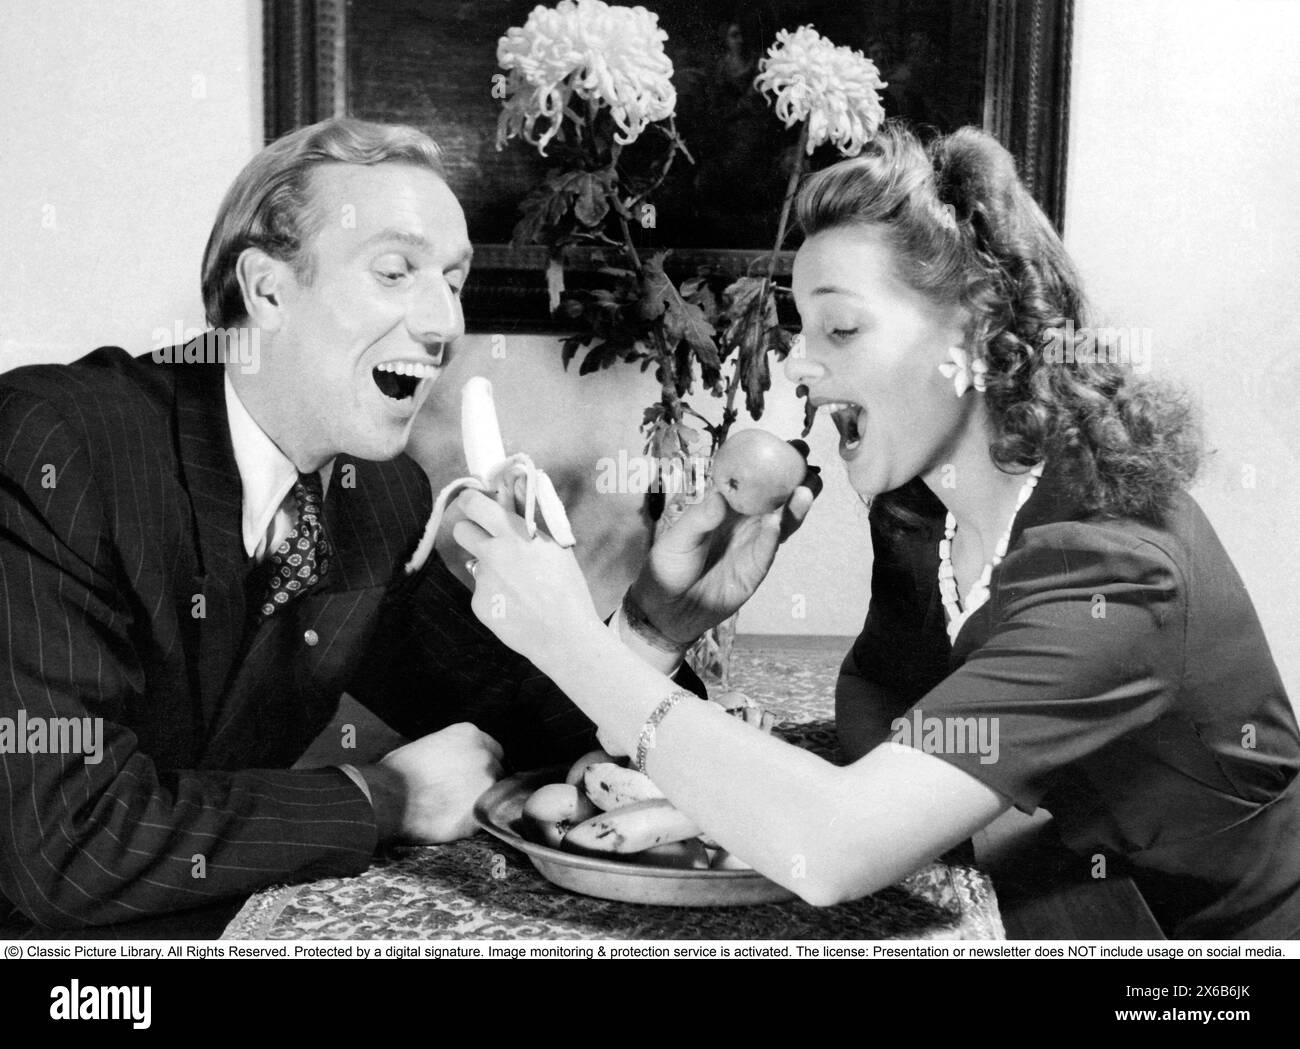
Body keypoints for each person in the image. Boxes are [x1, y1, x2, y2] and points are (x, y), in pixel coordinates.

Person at [454, 123, 1300, 938]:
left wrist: (568, 637)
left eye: (843, 328)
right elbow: (881, 704)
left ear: (972, 328)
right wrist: (733, 785)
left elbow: (831, 850)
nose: (804, 369)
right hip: (1069, 893)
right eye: (803, 330)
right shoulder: (920, 510)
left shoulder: (1115, 571)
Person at [0, 117, 746, 929]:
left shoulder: (380, 496)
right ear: (268, 289)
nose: (448, 325)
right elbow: (66, 843)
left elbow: (517, 732)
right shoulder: (58, 446)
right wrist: (379, 797)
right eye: (396, 271)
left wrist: (653, 623)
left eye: (453, 281)